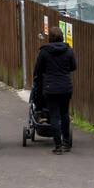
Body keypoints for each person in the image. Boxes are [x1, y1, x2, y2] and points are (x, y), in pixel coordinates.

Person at [33, 27, 77, 155]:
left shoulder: (44, 52)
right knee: (64, 114)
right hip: (65, 87)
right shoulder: (68, 51)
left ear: (50, 38)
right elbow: (73, 67)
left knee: (54, 116)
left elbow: (38, 70)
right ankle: (66, 143)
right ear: (62, 37)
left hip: (50, 88)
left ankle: (58, 146)